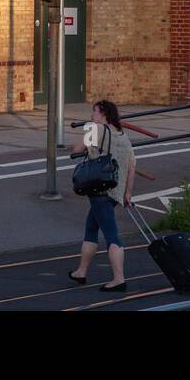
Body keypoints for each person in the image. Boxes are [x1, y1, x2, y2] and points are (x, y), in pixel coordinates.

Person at [68, 99, 136, 292]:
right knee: (91, 227)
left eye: (94, 112)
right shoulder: (123, 135)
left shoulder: (96, 130)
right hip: (115, 190)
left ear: (103, 114)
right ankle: (81, 272)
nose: (92, 115)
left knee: (111, 234)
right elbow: (131, 167)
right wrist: (127, 193)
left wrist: (88, 134)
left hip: (99, 190)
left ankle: (119, 279)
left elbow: (77, 149)